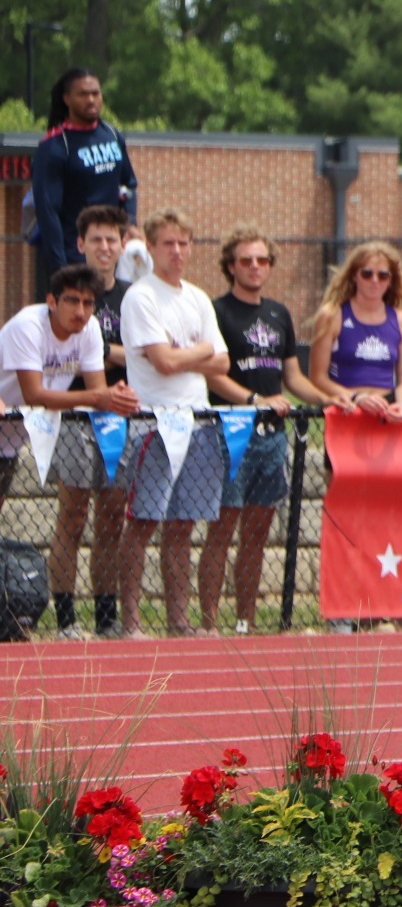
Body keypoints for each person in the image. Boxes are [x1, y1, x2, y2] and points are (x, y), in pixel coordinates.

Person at [197, 227, 325, 634]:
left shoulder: (278, 313)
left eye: (262, 260)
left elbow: (293, 377)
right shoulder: (216, 311)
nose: (255, 267)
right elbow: (213, 377)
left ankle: (245, 622)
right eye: (246, 260)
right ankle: (209, 622)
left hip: (272, 435)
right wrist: (252, 401)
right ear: (230, 266)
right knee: (222, 529)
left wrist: (327, 399)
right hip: (230, 431)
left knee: (257, 534)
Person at [0, 265, 139, 638]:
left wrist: (118, 397)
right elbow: (35, 395)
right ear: (51, 302)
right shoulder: (28, 326)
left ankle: (96, 619)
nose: (81, 311)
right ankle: (61, 619)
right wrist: (100, 396)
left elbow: (97, 395)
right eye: (72, 301)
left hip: (9, 442)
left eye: (88, 302)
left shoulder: (89, 330)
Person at [120, 209, 230, 637]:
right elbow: (163, 363)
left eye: (184, 243)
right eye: (168, 243)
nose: (178, 251)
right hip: (155, 423)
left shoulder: (199, 298)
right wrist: (196, 352)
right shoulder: (141, 297)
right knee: (144, 522)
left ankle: (179, 621)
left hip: (198, 421)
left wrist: (191, 353)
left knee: (183, 526)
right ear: (150, 247)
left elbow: (222, 360)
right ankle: (130, 622)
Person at [66, 204, 136, 635]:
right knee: (72, 517)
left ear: (122, 245)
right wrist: (104, 353)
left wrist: (96, 350)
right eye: (96, 240)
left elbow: (148, 353)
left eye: (112, 239)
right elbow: (63, 350)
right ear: (81, 244)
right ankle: (65, 618)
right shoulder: (66, 289)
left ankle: (106, 617)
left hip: (121, 416)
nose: (105, 247)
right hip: (75, 414)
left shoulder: (134, 297)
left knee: (112, 517)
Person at [32, 69, 138, 290]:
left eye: (95, 93)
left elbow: (128, 184)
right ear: (66, 99)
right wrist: (60, 268)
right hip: (75, 257)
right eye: (83, 94)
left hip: (111, 255)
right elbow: (47, 211)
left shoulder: (112, 134)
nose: (91, 100)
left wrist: (130, 223)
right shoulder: (54, 146)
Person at [309, 243, 402, 422]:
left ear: (390, 281)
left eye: (383, 275)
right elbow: (318, 377)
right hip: (347, 409)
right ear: (354, 276)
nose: (375, 280)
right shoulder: (333, 315)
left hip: (386, 412)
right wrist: (357, 397)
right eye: (367, 274)